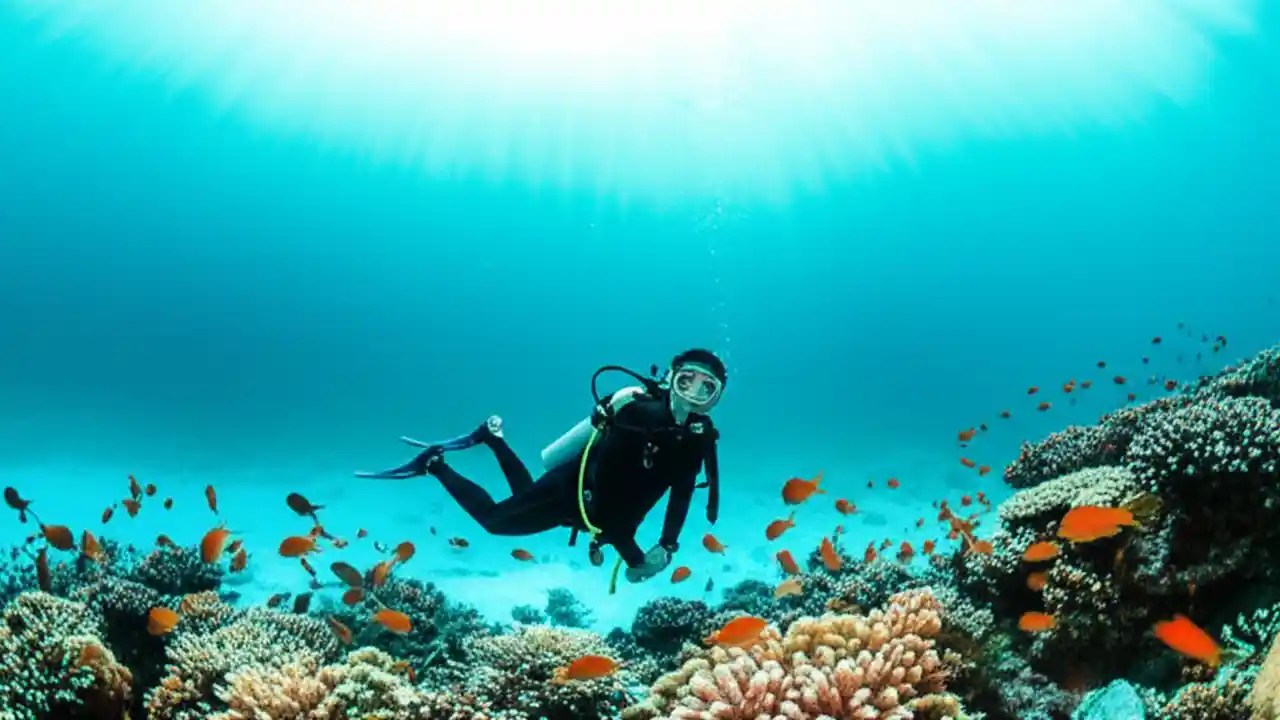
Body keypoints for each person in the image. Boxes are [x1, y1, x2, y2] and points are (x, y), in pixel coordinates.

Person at [356, 348, 726, 583]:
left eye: (706, 389)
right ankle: (435, 464)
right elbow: (610, 485)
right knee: (495, 522)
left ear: (715, 398)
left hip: (590, 512)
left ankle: (492, 437)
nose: (692, 394)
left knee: (524, 493)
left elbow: (680, 495)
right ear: (671, 377)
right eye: (686, 380)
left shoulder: (696, 440)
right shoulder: (635, 414)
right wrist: (632, 554)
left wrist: (668, 544)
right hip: (570, 493)